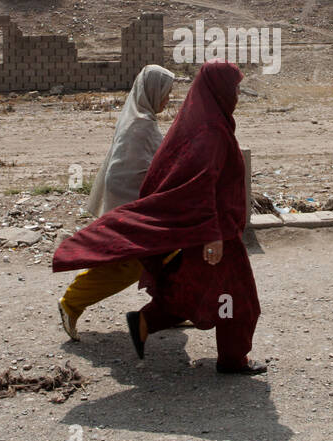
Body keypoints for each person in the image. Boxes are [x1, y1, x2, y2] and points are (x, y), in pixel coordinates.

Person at [53, 60, 264, 375]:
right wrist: (208, 231)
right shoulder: (202, 130)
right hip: (195, 226)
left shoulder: (200, 122)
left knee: (187, 281)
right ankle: (232, 359)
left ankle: (145, 322)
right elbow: (196, 181)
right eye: (233, 87)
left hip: (183, 222)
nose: (236, 94)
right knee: (236, 297)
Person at [57, 64, 176, 341]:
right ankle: (71, 303)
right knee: (128, 266)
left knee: (170, 255)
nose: (168, 100)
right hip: (130, 207)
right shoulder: (142, 125)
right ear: (152, 91)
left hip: (131, 206)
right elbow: (133, 172)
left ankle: (169, 309)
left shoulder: (139, 118)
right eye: (166, 93)